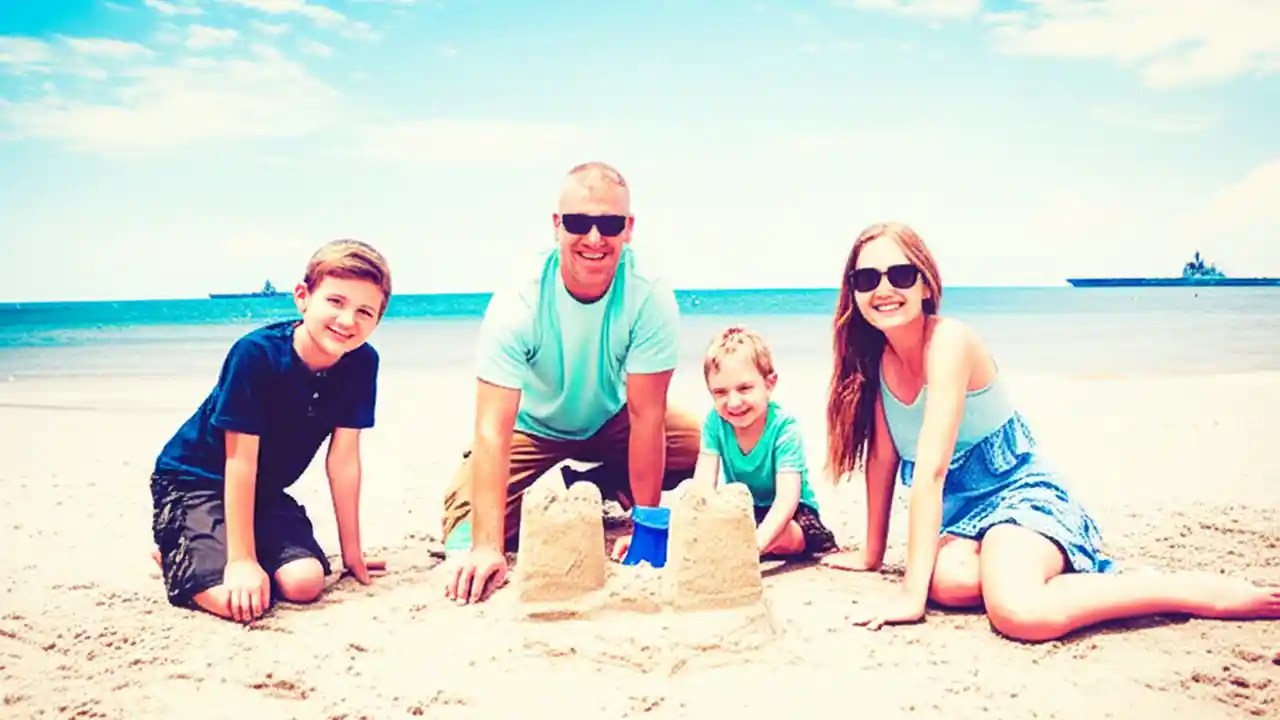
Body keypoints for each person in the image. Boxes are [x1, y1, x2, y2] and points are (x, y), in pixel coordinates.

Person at [820, 221, 1280, 642]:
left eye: (900, 275)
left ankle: (1184, 590)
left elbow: (932, 470)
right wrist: (871, 555)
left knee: (1021, 614)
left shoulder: (949, 342)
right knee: (951, 583)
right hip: (962, 521)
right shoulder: (877, 363)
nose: (884, 288)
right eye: (867, 278)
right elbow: (882, 461)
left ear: (925, 284)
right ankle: (1041, 572)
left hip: (1021, 499)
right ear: (853, 292)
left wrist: (909, 598)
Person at [442, 161, 700, 604]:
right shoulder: (519, 299)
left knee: (706, 448)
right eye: (579, 222)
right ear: (557, 225)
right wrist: (486, 547)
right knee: (466, 523)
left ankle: (604, 482)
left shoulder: (649, 293)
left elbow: (647, 416)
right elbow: (492, 429)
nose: (594, 239)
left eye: (610, 224)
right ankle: (520, 507)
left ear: (628, 229)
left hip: (613, 418)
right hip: (531, 428)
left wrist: (646, 527)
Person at [149, 239, 392, 624]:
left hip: (263, 491)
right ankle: (179, 545)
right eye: (335, 301)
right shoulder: (256, 354)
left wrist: (352, 553)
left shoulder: (362, 363)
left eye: (365, 311)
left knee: (304, 583)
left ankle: (215, 545)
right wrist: (242, 561)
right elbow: (239, 461)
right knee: (238, 601)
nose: (347, 321)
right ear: (303, 297)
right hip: (194, 480)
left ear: (378, 319)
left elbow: (344, 461)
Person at [676, 325, 837, 558]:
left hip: (793, 513)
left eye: (744, 388)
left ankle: (762, 542)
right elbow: (703, 486)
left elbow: (787, 499)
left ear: (769, 383)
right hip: (748, 508)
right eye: (720, 392)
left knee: (784, 534)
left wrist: (756, 545)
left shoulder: (784, 427)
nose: (734, 402)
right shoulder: (715, 422)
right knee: (716, 518)